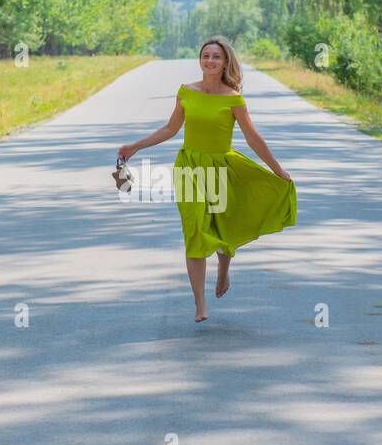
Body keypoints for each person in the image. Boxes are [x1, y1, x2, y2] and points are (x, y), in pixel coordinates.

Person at [118, 36, 297, 322]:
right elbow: (170, 129)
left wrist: (277, 169)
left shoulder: (233, 99)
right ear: (200, 60)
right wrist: (136, 146)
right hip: (189, 167)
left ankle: (224, 268)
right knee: (194, 229)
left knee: (220, 226)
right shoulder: (186, 92)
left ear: (225, 62)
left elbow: (252, 138)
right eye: (206, 56)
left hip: (220, 168)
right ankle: (200, 303)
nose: (210, 61)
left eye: (216, 57)